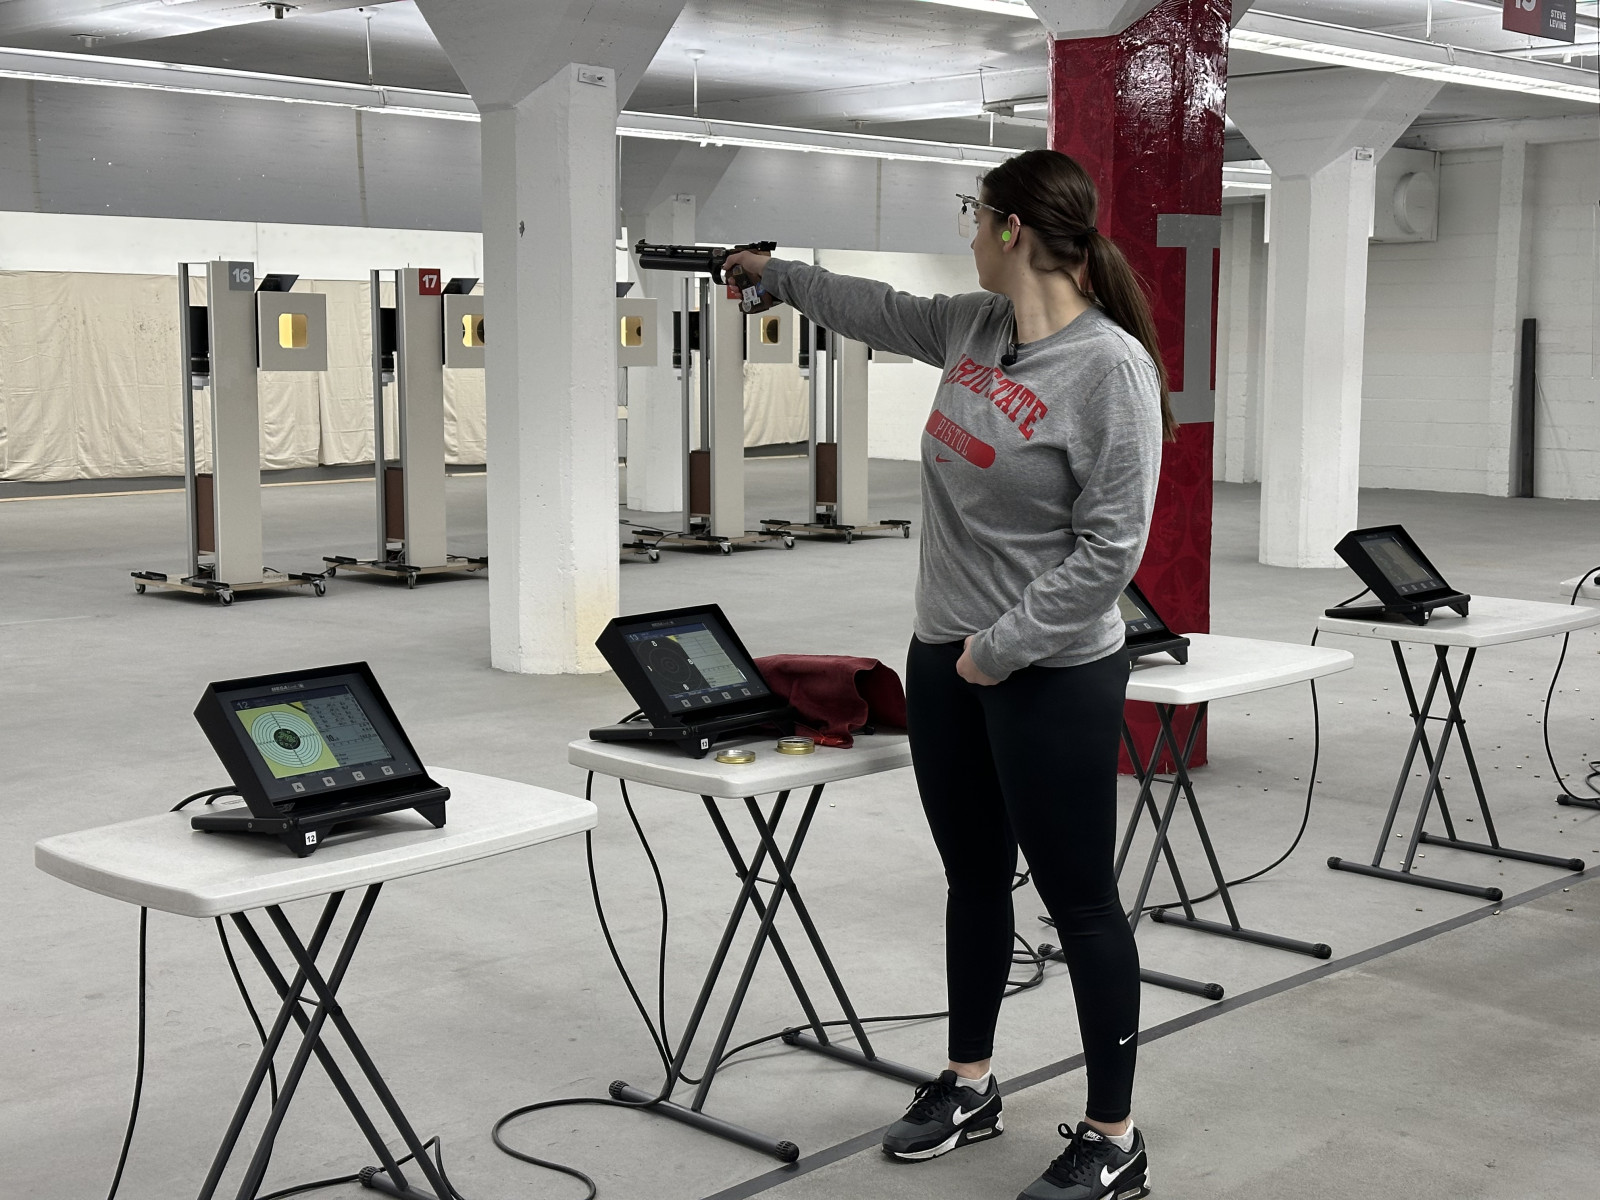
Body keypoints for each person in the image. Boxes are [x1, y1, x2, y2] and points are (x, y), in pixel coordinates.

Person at [723, 147, 1172, 1200]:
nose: (966, 231)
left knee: (1081, 904)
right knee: (973, 880)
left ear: (1012, 228)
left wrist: (997, 651)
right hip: (945, 657)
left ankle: (1114, 1138)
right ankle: (970, 1084)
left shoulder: (1109, 370)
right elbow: (876, 308)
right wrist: (774, 274)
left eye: (974, 214)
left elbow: (1111, 550)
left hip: (1048, 670)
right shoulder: (974, 327)